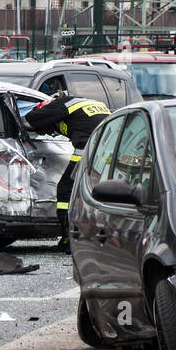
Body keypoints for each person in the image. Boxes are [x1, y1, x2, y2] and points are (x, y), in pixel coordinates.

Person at [24, 90, 111, 246]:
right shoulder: (87, 104)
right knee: (99, 193)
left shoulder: (60, 104)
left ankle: (68, 237)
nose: (50, 134)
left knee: (66, 190)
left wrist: (36, 117)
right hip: (111, 149)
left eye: (46, 130)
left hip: (90, 149)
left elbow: (31, 119)